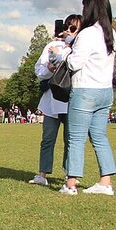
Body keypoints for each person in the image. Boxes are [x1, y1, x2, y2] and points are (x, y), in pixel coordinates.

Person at [58, 0, 116, 196]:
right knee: (100, 137)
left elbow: (75, 62)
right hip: (105, 91)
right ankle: (105, 181)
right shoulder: (111, 33)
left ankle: (71, 183)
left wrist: (66, 52)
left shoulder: (88, 33)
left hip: (85, 91)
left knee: (75, 138)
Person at [30, 14, 80, 186]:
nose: (71, 31)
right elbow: (39, 70)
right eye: (70, 27)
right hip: (52, 98)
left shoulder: (82, 45)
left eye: (75, 28)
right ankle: (42, 173)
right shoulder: (52, 45)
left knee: (71, 139)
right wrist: (50, 69)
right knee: (48, 138)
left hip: (72, 97)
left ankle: (70, 174)